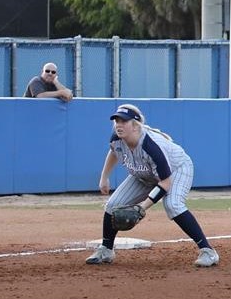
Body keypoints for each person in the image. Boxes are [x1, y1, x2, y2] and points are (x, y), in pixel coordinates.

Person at [86, 103, 220, 268]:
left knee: (173, 205)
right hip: (145, 173)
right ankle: (106, 250)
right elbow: (114, 151)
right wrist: (104, 177)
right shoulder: (116, 138)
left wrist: (141, 208)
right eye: (117, 121)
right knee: (113, 205)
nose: (119, 125)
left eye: (124, 121)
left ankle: (208, 251)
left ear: (135, 126)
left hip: (176, 169)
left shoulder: (151, 146)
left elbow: (165, 182)